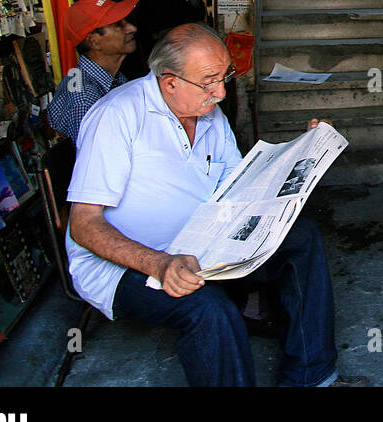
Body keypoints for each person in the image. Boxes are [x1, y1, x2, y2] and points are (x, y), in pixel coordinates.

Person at [66, 24, 338, 387]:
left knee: (301, 237)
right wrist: (161, 264)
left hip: (203, 239)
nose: (221, 92)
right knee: (208, 309)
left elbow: (238, 187)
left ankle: (310, 373)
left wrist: (302, 153)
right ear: (169, 82)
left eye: (223, 76)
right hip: (129, 264)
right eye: (208, 81)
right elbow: (83, 225)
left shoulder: (209, 114)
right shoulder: (116, 116)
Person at [48, 0, 140, 141]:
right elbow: (98, 159)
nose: (132, 28)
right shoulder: (84, 100)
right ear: (94, 42)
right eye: (118, 25)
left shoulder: (113, 77)